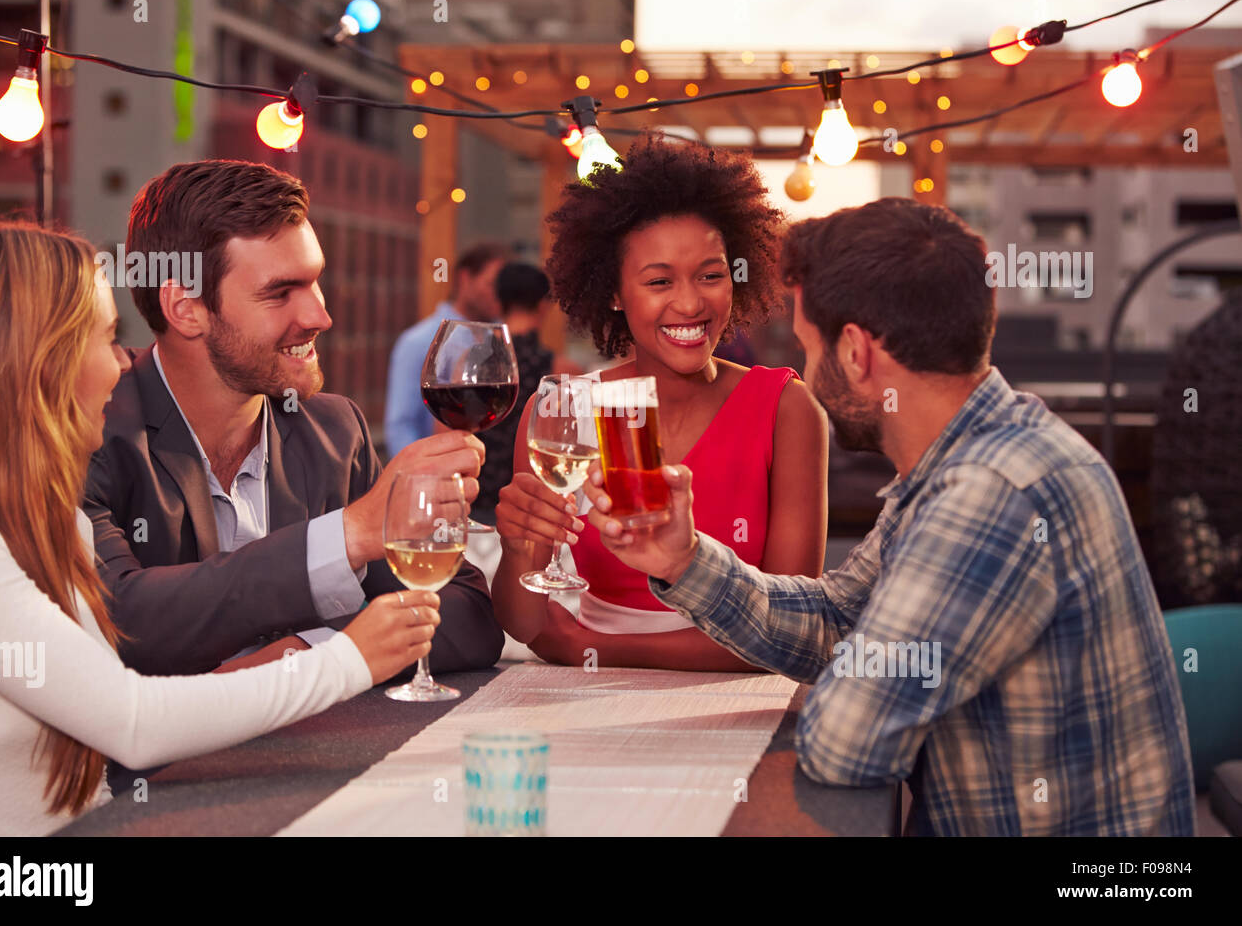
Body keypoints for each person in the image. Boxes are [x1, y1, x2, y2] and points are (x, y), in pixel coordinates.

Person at [580, 197, 1196, 836]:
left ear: (855, 354)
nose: (807, 375)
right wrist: (683, 560)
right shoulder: (971, 455)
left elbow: (849, 741)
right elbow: (837, 619)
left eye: (808, 350)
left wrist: (862, 668)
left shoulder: (989, 492)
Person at [0, 219, 442, 835]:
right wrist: (347, 659)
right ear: (41, 365)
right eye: (104, 338)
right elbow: (132, 720)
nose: (122, 362)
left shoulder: (54, 519)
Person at [86, 160, 503, 678]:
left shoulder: (332, 431)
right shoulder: (89, 428)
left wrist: (302, 655)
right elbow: (118, 622)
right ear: (185, 307)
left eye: (315, 283)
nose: (319, 316)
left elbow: (466, 617)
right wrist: (346, 536)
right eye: (281, 293)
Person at [492, 133, 827, 670]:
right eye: (659, 281)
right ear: (615, 293)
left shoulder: (785, 408)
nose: (691, 303)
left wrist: (591, 647)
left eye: (711, 276)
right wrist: (514, 548)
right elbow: (526, 622)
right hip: (584, 707)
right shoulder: (562, 410)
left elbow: (792, 628)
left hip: (736, 709)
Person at [472, 262, 581, 525]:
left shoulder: (469, 365)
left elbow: (446, 436)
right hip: (532, 513)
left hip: (473, 511)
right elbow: (571, 452)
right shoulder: (562, 371)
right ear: (544, 305)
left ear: (498, 303)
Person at [383, 242, 508, 456]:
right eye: (491, 284)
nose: (499, 294)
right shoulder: (419, 341)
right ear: (465, 278)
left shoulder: (501, 341)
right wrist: (421, 476)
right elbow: (400, 426)